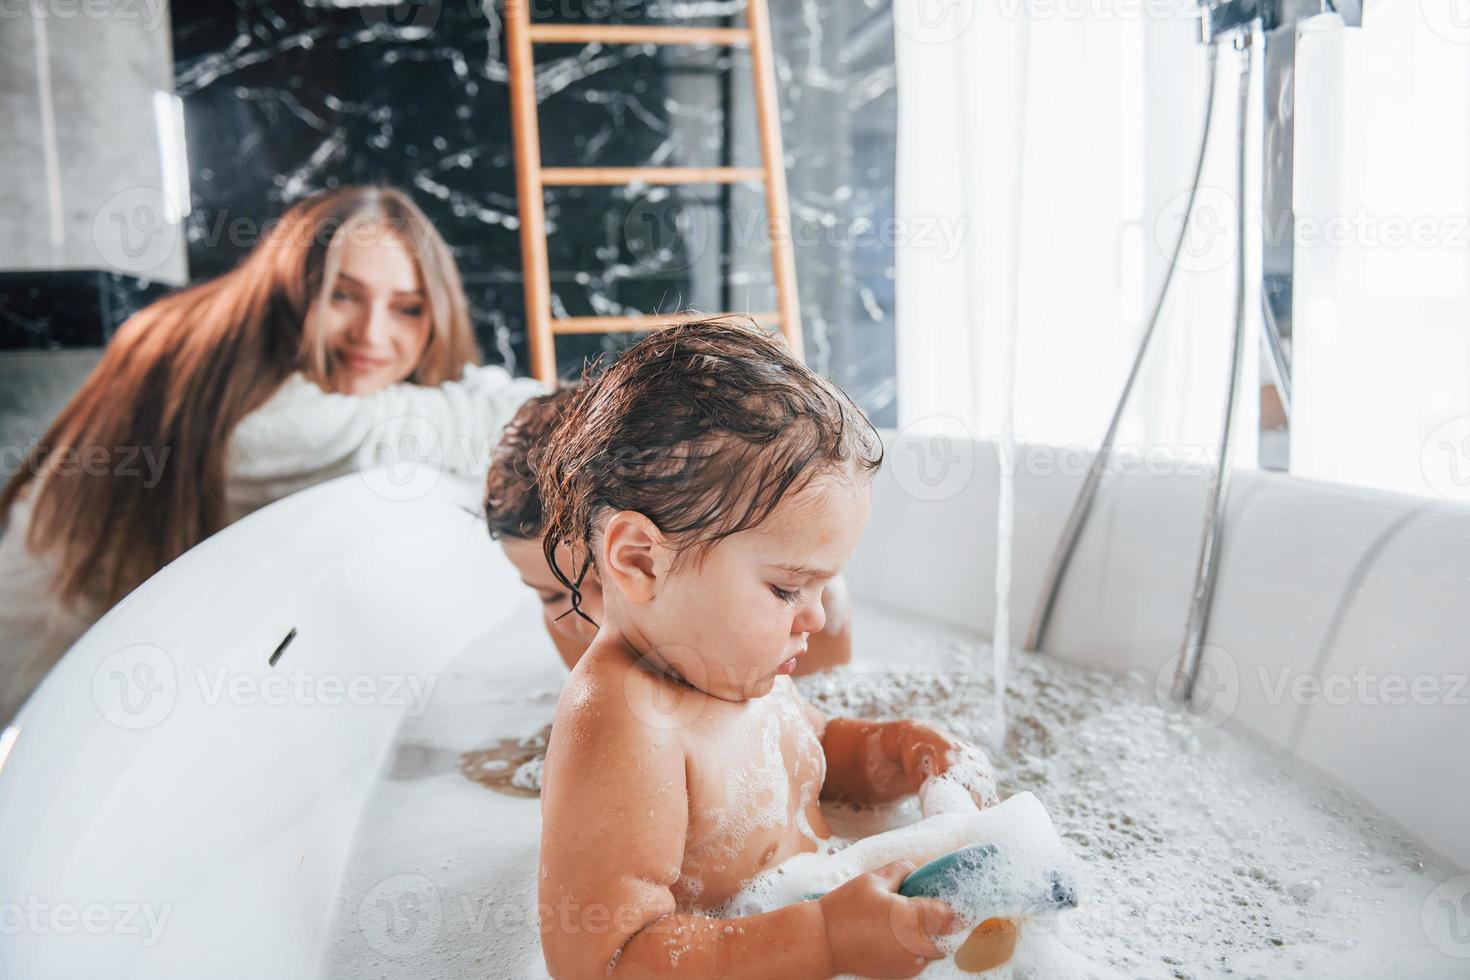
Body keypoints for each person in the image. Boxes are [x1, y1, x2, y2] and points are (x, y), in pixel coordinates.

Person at [535, 318, 1000, 978]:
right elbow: (604, 959)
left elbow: (816, 751)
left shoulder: (734, 665)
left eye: (823, 584)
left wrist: (897, 749)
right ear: (641, 560)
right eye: (786, 588)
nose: (814, 614)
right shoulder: (626, 721)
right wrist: (827, 938)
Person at [0, 186, 541, 724]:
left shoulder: (219, 335)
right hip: (36, 680)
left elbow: (486, 405)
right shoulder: (251, 412)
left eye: (408, 308)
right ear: (290, 288)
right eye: (342, 296)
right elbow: (497, 421)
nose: (372, 334)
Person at [482, 386, 853, 673]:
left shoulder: (804, 614)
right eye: (551, 598)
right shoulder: (570, 632)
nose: (587, 619)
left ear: (640, 555)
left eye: (602, 582)